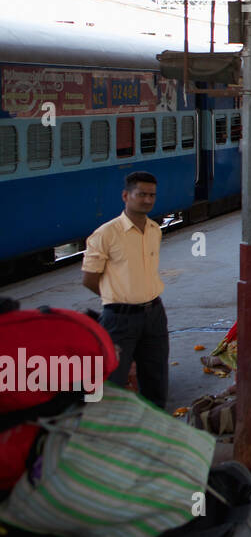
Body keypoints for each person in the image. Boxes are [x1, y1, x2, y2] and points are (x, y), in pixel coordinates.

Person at [81, 171, 169, 409]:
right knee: (112, 381)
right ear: (125, 195)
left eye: (152, 195)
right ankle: (106, 436)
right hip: (119, 319)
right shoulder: (105, 234)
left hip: (154, 315)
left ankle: (153, 432)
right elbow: (89, 279)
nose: (148, 200)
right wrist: (117, 297)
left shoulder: (154, 230)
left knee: (156, 379)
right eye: (141, 194)